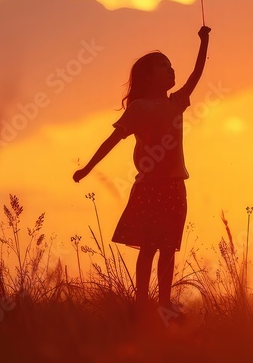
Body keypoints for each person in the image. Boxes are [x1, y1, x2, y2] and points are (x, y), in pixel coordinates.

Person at [73, 25, 211, 310]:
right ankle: (141, 302)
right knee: (148, 246)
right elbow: (111, 141)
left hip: (175, 185)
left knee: (169, 248)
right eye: (164, 67)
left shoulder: (176, 103)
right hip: (149, 186)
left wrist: (204, 41)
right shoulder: (138, 109)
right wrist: (87, 168)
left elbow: (197, 74)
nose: (172, 71)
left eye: (172, 67)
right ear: (147, 76)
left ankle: (163, 303)